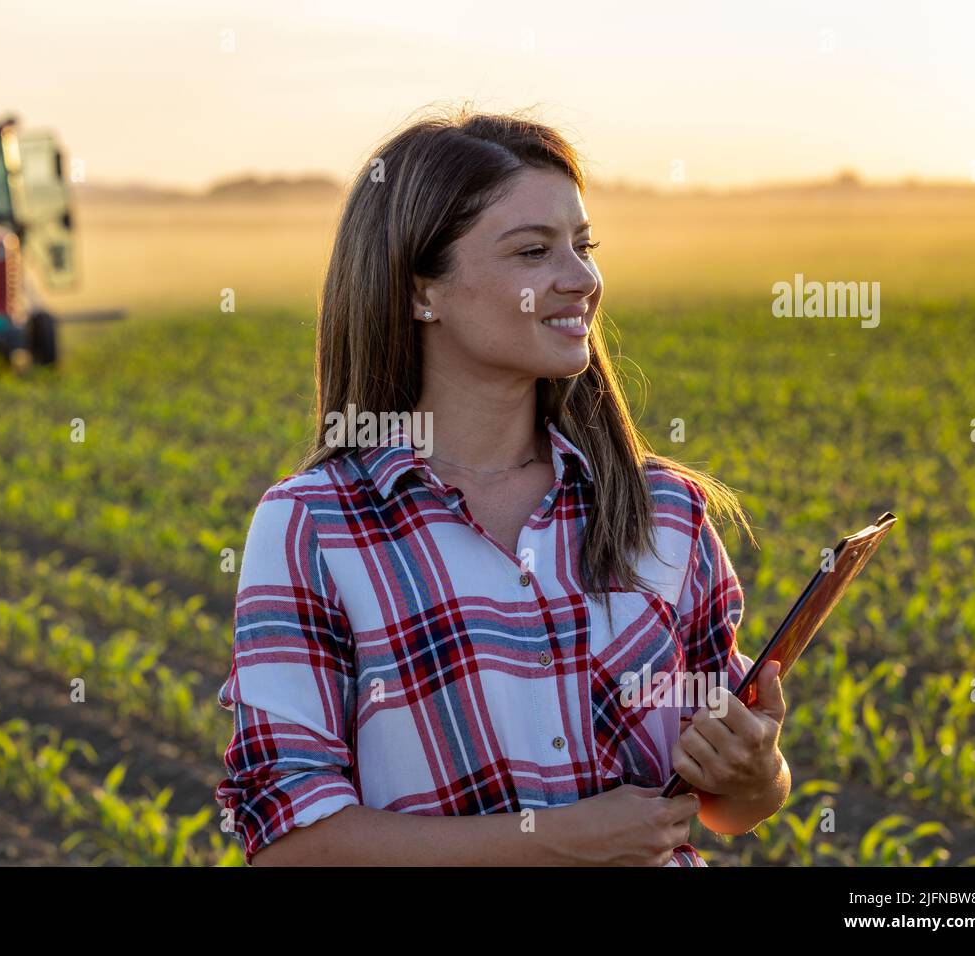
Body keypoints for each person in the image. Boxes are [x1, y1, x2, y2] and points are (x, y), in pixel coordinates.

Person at [215, 107, 791, 866]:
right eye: (533, 251)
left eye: (583, 246)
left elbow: (733, 809)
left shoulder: (665, 512)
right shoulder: (315, 527)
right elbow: (289, 843)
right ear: (424, 291)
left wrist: (756, 772)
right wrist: (551, 844)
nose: (581, 279)